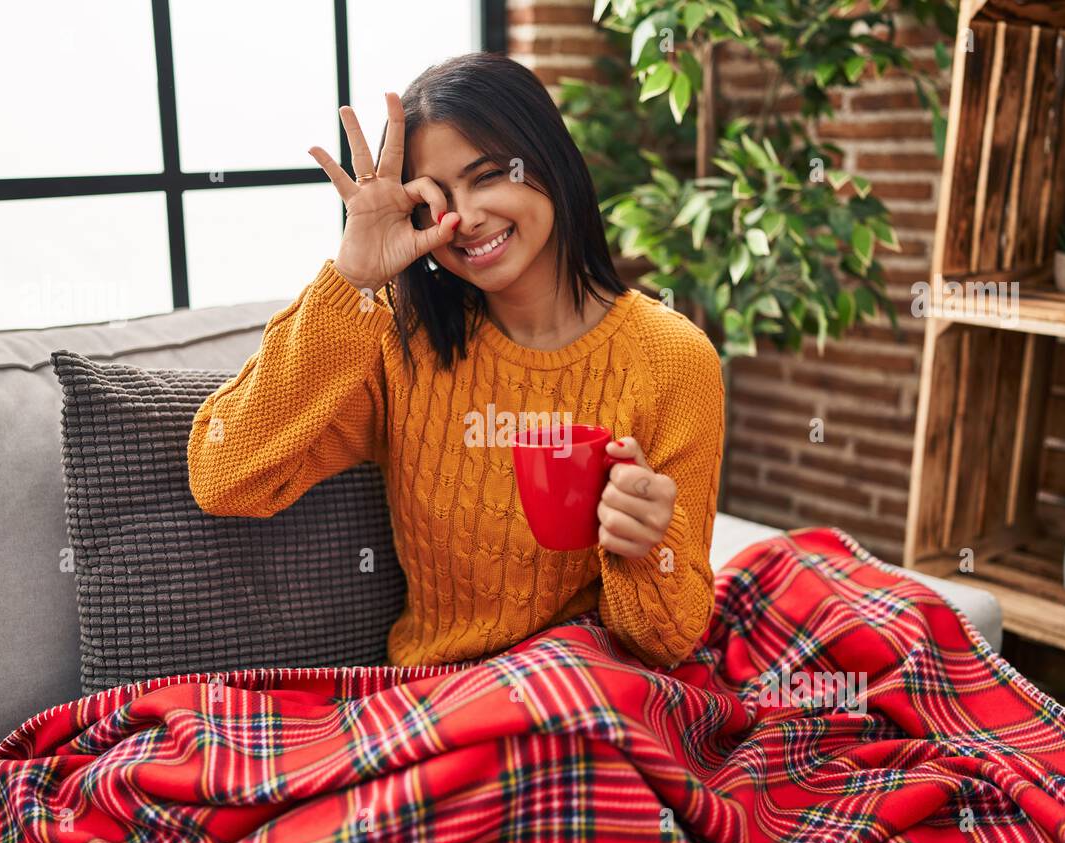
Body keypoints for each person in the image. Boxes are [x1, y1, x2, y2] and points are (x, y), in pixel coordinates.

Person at [187, 52, 725, 669]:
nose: (464, 219)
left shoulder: (674, 358)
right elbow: (224, 476)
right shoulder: (402, 344)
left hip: (589, 692)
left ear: (550, 161)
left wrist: (649, 544)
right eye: (435, 199)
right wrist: (353, 277)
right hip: (438, 700)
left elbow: (669, 641)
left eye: (489, 175)